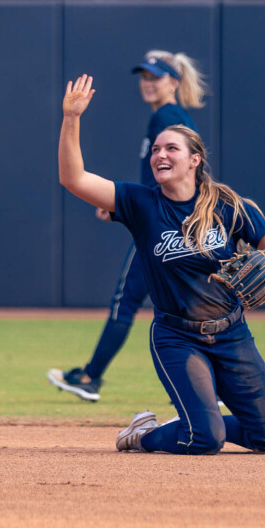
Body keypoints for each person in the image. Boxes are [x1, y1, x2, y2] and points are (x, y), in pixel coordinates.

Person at [58, 74, 265, 455]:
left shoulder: (228, 205)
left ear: (194, 160)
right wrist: (72, 118)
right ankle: (144, 435)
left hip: (233, 335)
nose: (160, 155)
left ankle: (193, 419)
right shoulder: (141, 204)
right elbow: (73, 179)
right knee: (205, 439)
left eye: (171, 148)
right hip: (178, 337)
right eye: (155, 150)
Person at [47, 51, 208, 402]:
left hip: (162, 225)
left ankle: (90, 377)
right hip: (171, 219)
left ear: (174, 82)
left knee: (128, 301)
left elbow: (182, 173)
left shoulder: (167, 118)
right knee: (184, 304)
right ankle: (208, 383)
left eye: (157, 76)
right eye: (145, 76)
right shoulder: (171, 117)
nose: (148, 83)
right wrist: (120, 207)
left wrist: (134, 209)